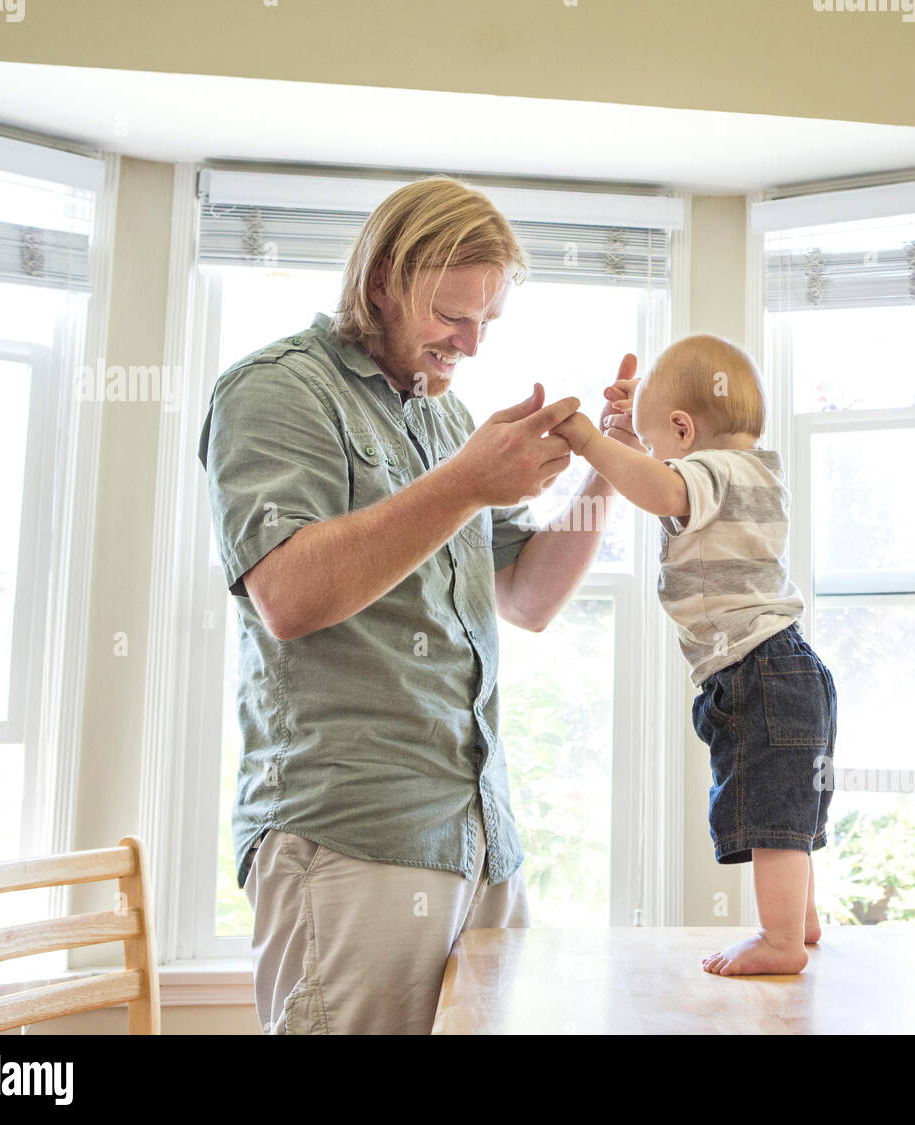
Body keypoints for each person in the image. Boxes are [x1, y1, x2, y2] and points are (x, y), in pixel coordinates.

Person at [197, 175, 641, 1033]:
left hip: (478, 837)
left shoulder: (446, 421)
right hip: (351, 832)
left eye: (486, 321)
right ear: (380, 284)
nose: (470, 344)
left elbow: (529, 596)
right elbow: (287, 594)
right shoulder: (277, 390)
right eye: (451, 315)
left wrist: (606, 468)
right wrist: (469, 483)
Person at [552, 333, 837, 976]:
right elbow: (665, 473)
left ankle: (779, 939)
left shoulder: (707, 472)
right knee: (789, 808)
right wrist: (638, 428)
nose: (653, 460)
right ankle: (801, 920)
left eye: (658, 445)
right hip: (789, 666)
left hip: (758, 667)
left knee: (769, 813)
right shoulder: (757, 470)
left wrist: (593, 442)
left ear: (684, 430)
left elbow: (662, 490)